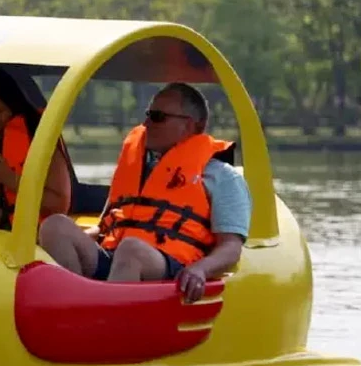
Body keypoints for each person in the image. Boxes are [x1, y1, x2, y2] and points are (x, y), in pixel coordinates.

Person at [37, 82, 252, 302]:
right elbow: (107, 227)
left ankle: (105, 321)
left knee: (131, 251)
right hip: (116, 257)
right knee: (55, 226)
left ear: (190, 126)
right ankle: (72, 308)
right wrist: (72, 239)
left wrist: (201, 270)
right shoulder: (136, 168)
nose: (147, 123)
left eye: (158, 116)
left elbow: (231, 246)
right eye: (148, 114)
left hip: (170, 265)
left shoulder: (222, 176)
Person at [0, 67, 72, 230]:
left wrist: (9, 179)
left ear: (14, 107)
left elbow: (60, 204)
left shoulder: (39, 138)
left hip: (32, 237)